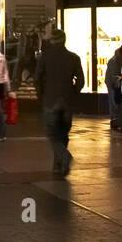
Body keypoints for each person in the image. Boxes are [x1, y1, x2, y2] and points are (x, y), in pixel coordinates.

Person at [36, 29, 85, 176]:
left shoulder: (45, 57)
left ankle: (64, 158)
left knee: (52, 133)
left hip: (50, 100)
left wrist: (41, 95)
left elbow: (37, 78)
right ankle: (58, 166)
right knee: (63, 134)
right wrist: (73, 92)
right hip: (67, 101)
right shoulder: (74, 58)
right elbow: (81, 81)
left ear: (52, 41)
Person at [105, 44, 122, 128]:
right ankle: (114, 119)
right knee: (113, 100)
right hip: (111, 81)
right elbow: (112, 76)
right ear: (121, 53)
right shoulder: (113, 61)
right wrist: (120, 80)